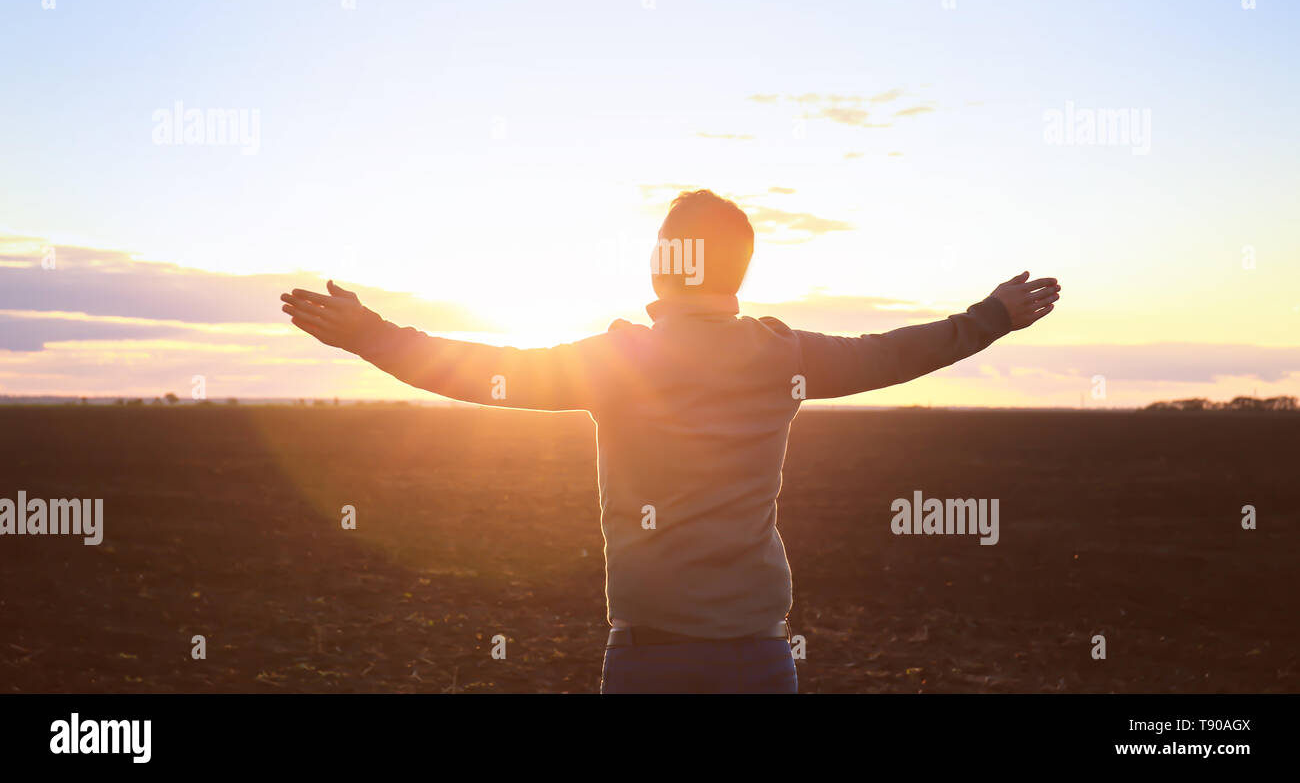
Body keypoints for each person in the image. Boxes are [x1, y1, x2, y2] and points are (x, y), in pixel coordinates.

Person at [280, 189, 1060, 693]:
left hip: (651, 656)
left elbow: (477, 371)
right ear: (740, 271)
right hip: (758, 653)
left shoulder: (616, 362)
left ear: (662, 265)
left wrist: (371, 337)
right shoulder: (784, 355)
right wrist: (992, 315)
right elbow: (897, 353)